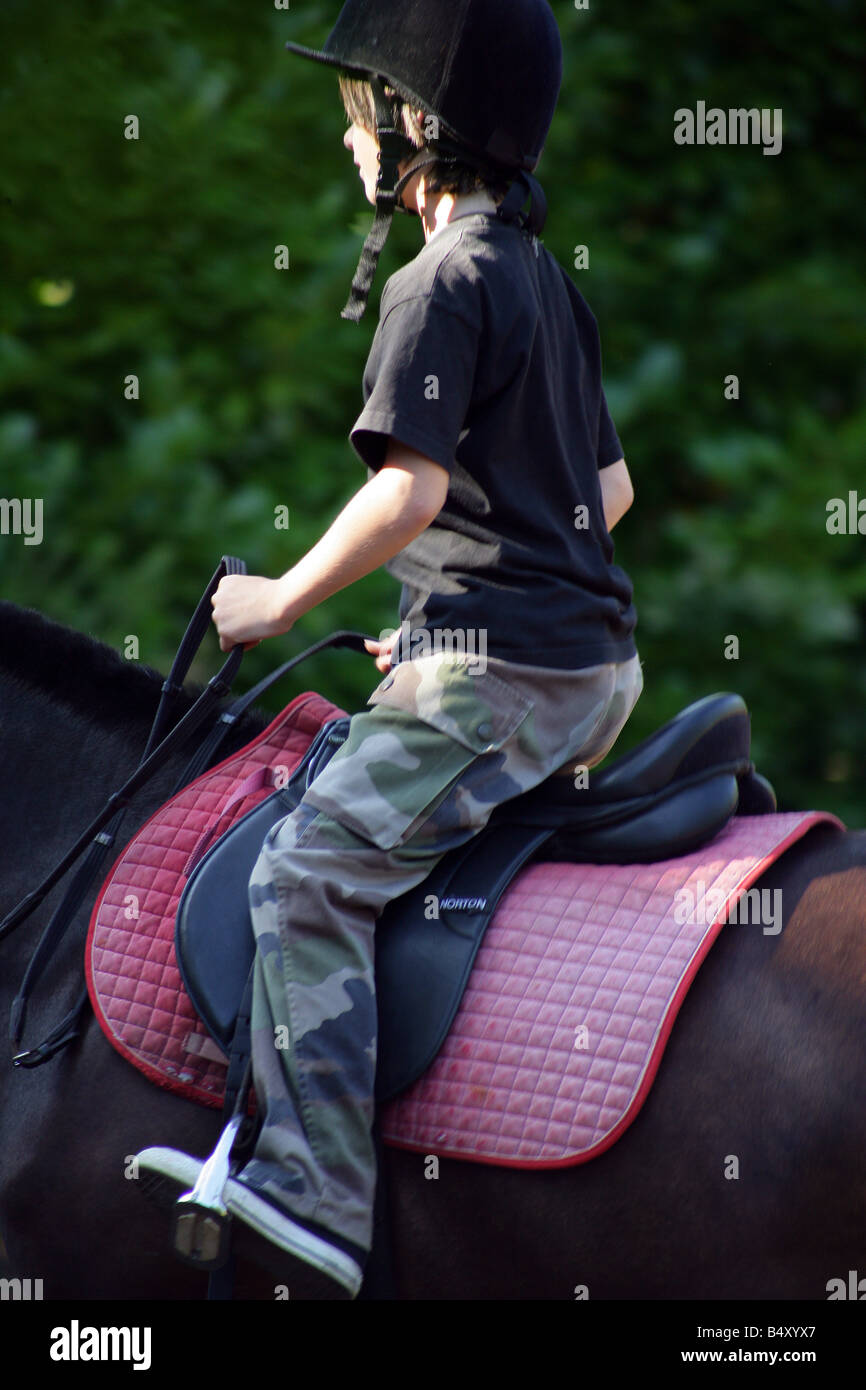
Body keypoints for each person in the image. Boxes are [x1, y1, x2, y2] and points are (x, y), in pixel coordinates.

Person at [138, 0, 643, 1299]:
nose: (348, 126)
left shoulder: (439, 279)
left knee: (304, 875)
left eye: (364, 99)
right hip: (591, 671)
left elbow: (407, 493)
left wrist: (280, 602)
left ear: (418, 124)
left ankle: (308, 1191)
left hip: (509, 680)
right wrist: (434, 621)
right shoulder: (542, 279)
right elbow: (613, 493)